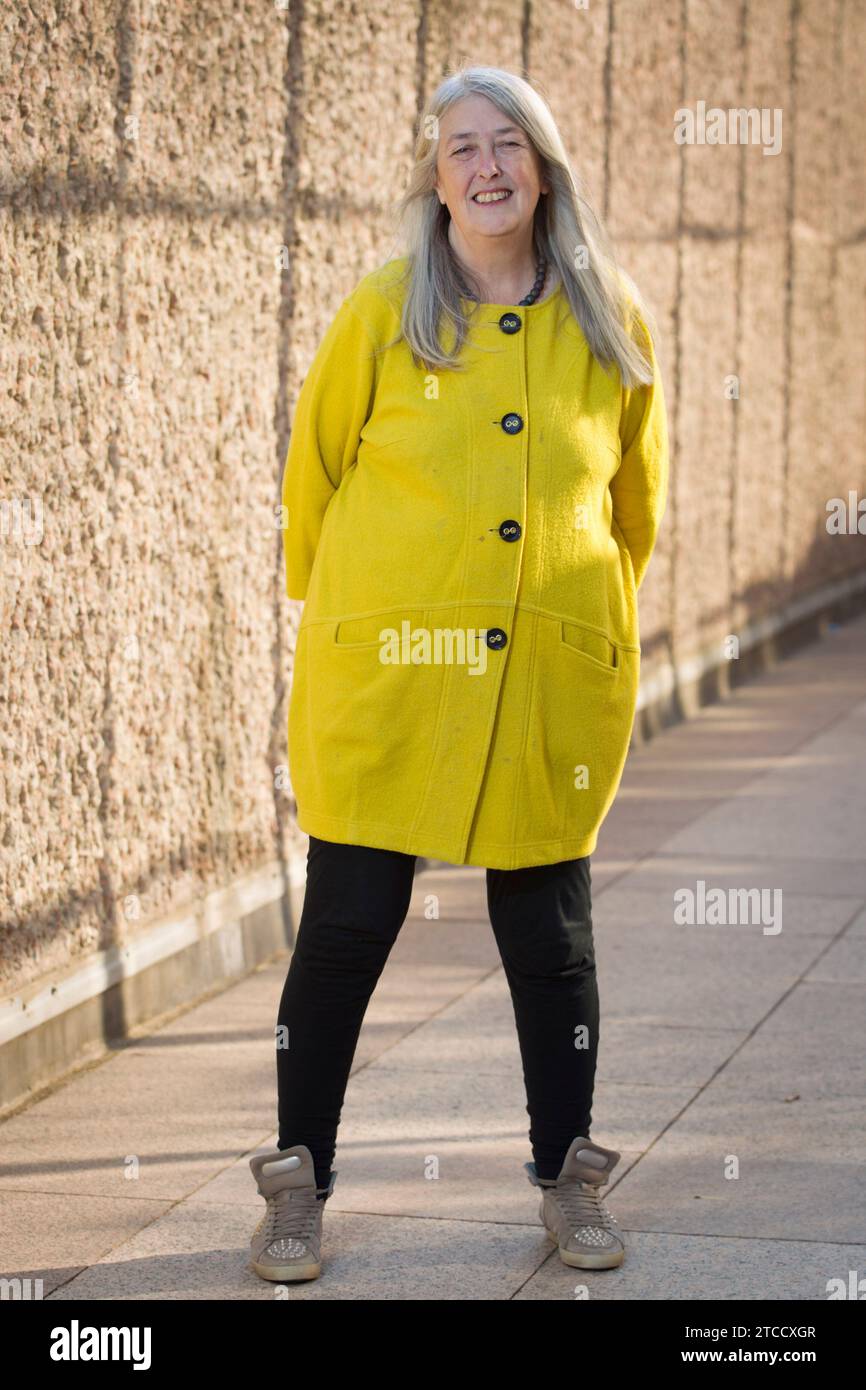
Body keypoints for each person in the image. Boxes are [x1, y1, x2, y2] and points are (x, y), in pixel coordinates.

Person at [249, 64, 669, 1284]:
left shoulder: (611, 319)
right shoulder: (384, 309)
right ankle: (295, 1189)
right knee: (344, 928)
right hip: (387, 677)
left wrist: (574, 621)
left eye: (506, 146)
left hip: (546, 681)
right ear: (433, 181)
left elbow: (634, 507)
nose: (483, 169)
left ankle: (568, 1183)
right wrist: (358, 622)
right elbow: (312, 481)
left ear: (543, 168)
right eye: (459, 151)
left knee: (551, 939)